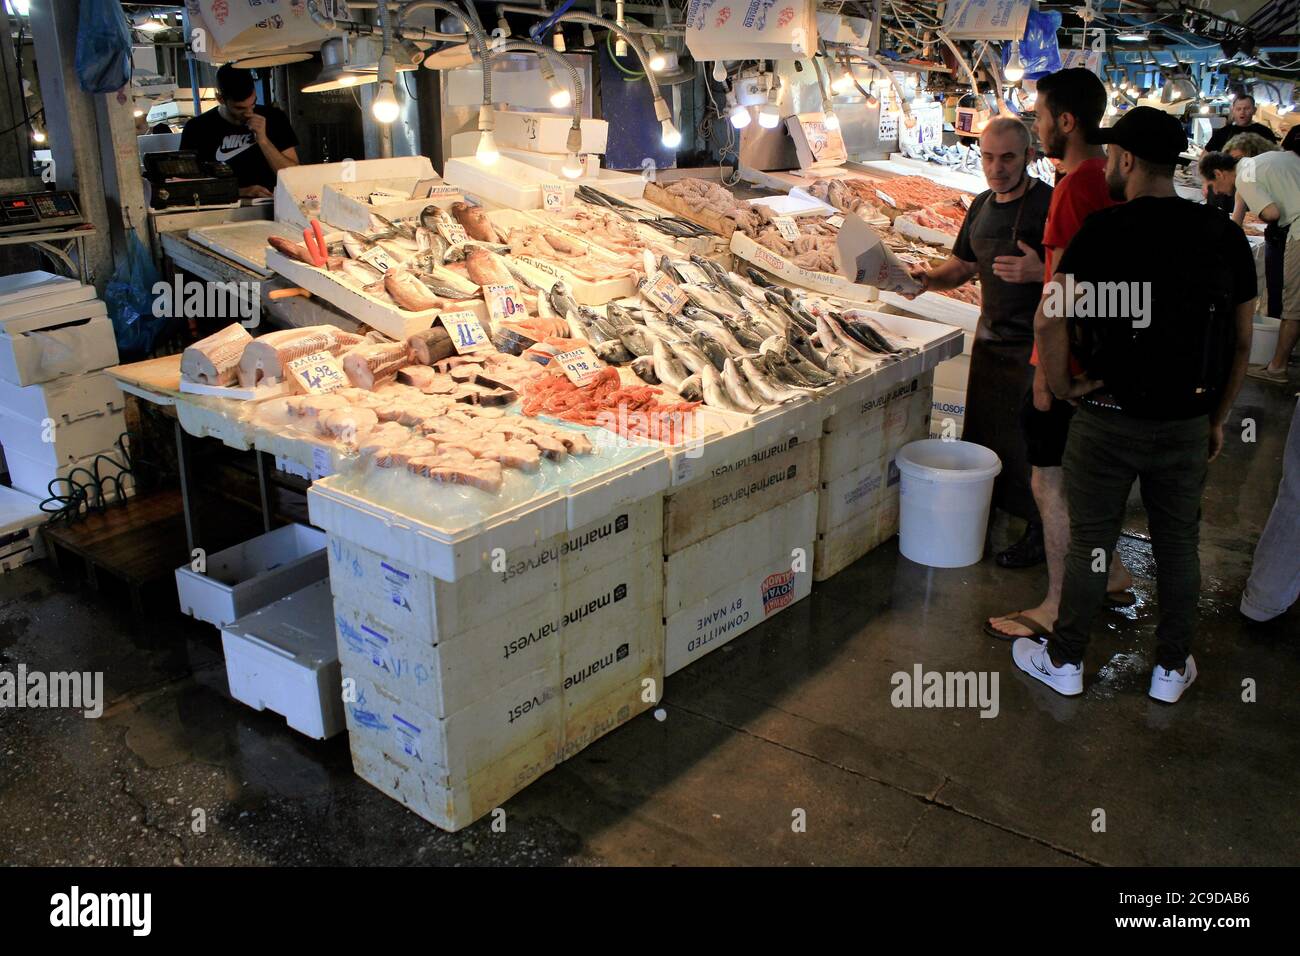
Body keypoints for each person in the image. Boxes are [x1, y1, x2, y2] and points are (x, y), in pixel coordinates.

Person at [1016, 106, 1256, 702]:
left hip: (1107, 419)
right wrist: (1218, 417)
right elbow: (1242, 340)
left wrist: (1065, 385)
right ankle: (1171, 670)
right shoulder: (1223, 233)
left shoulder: (1105, 231)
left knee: (1093, 542)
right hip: (1185, 421)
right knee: (1178, 543)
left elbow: (1051, 320)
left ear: (1124, 159)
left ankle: (1067, 661)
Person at [985, 67, 1134, 641]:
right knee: (1081, 479)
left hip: (1062, 360)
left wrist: (1049, 375)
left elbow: (1059, 295)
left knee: (1049, 484)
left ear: (1065, 122)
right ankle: (1111, 571)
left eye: (1041, 117)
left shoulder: (1075, 186)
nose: (1038, 125)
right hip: (1099, 361)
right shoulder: (1108, 180)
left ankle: (1057, 605)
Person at [910, 117, 1053, 567]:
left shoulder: (1049, 205)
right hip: (991, 341)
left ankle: (1040, 532)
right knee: (988, 435)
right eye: (989, 157)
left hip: (1037, 344)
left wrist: (1040, 272)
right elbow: (963, 266)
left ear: (1029, 157)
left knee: (1035, 444)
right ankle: (985, 511)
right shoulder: (981, 204)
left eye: (1008, 157)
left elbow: (1090, 279)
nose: (997, 167)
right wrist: (926, 279)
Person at [1199, 140, 1300, 384]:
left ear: (1219, 173)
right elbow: (1237, 218)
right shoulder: (1255, 165)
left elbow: (1271, 213)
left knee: (1293, 302)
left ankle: (1277, 367)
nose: (1219, 193)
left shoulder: (1245, 176)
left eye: (1213, 186)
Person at [179, 64, 299, 199]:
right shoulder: (197, 128)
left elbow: (294, 176)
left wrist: (264, 141)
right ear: (221, 99)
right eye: (239, 108)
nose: (249, 113)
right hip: (221, 210)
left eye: (253, 104)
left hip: (275, 205)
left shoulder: (274, 117)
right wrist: (240, 192)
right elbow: (187, 185)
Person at [1204, 93, 1278, 154]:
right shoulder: (1222, 133)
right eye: (1238, 109)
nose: (1242, 112)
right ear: (1233, 111)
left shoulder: (1265, 132)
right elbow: (1204, 156)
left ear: (1254, 110)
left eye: (1246, 109)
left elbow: (1274, 157)